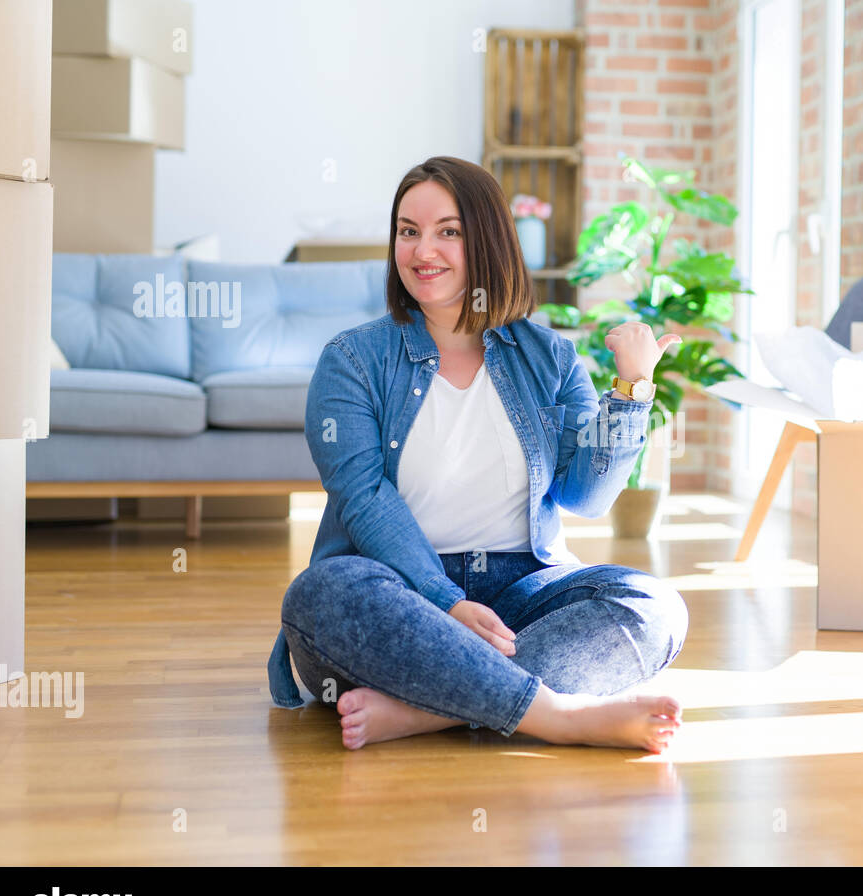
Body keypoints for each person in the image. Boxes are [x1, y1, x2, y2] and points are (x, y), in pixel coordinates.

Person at [267, 156, 689, 753]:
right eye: (407, 231)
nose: (421, 250)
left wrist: (631, 391)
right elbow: (363, 502)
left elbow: (587, 498)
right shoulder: (353, 360)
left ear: (487, 239)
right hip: (401, 599)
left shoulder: (550, 358)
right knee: (321, 593)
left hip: (520, 595)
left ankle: (425, 712)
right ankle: (556, 714)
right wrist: (447, 603)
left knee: (654, 607)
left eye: (448, 231)